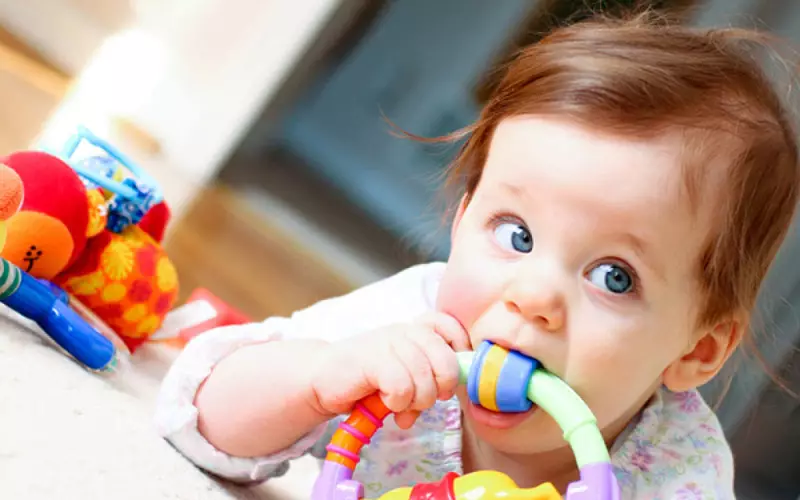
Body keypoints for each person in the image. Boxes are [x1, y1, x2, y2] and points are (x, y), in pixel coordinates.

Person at [154, 12, 800, 498]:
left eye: (613, 276)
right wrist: (319, 380)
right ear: (463, 222)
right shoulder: (403, 331)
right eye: (516, 234)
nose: (533, 297)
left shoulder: (678, 469)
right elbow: (200, 420)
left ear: (697, 350)